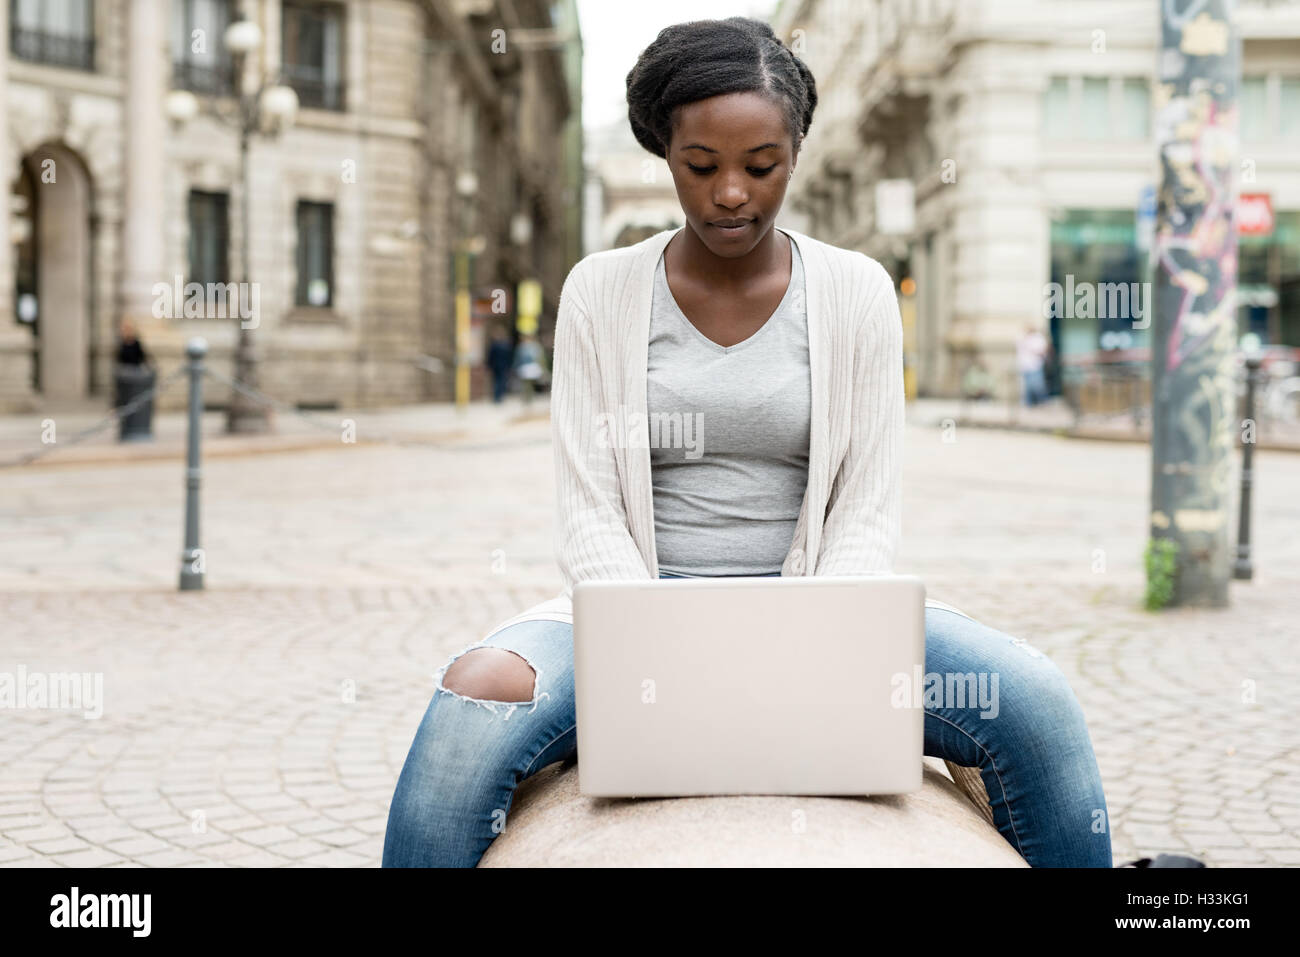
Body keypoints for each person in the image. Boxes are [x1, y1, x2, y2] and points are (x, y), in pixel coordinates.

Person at [384, 17, 1111, 868]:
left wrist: (804, 646)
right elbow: (588, 509)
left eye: (761, 166)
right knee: (472, 699)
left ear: (796, 151)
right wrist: (657, 650)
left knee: (1034, 698)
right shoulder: (600, 291)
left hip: (825, 606)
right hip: (635, 607)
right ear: (665, 152)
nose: (732, 192)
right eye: (703, 167)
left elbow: (866, 508)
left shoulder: (857, 292)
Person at [1017, 323, 1050, 406]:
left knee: (1038, 386)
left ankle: (1042, 402)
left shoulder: (1038, 338)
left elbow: (1042, 350)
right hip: (1025, 366)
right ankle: (1029, 404)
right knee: (1027, 387)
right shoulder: (1023, 338)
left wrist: (1034, 351)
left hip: (1035, 366)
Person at [512, 333, 546, 406]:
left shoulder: (535, 347)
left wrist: (542, 367)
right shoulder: (522, 347)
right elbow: (518, 358)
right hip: (524, 367)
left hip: (532, 367)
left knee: (529, 383)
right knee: (525, 383)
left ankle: (529, 397)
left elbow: (540, 358)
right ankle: (526, 397)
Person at [485, 324, 514, 403]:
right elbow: (509, 356)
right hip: (503, 366)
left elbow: (491, 356)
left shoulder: (494, 345)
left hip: (496, 366)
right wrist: (509, 365)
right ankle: (499, 397)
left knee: (497, 381)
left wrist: (489, 365)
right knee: (501, 381)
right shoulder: (506, 345)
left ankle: (496, 397)